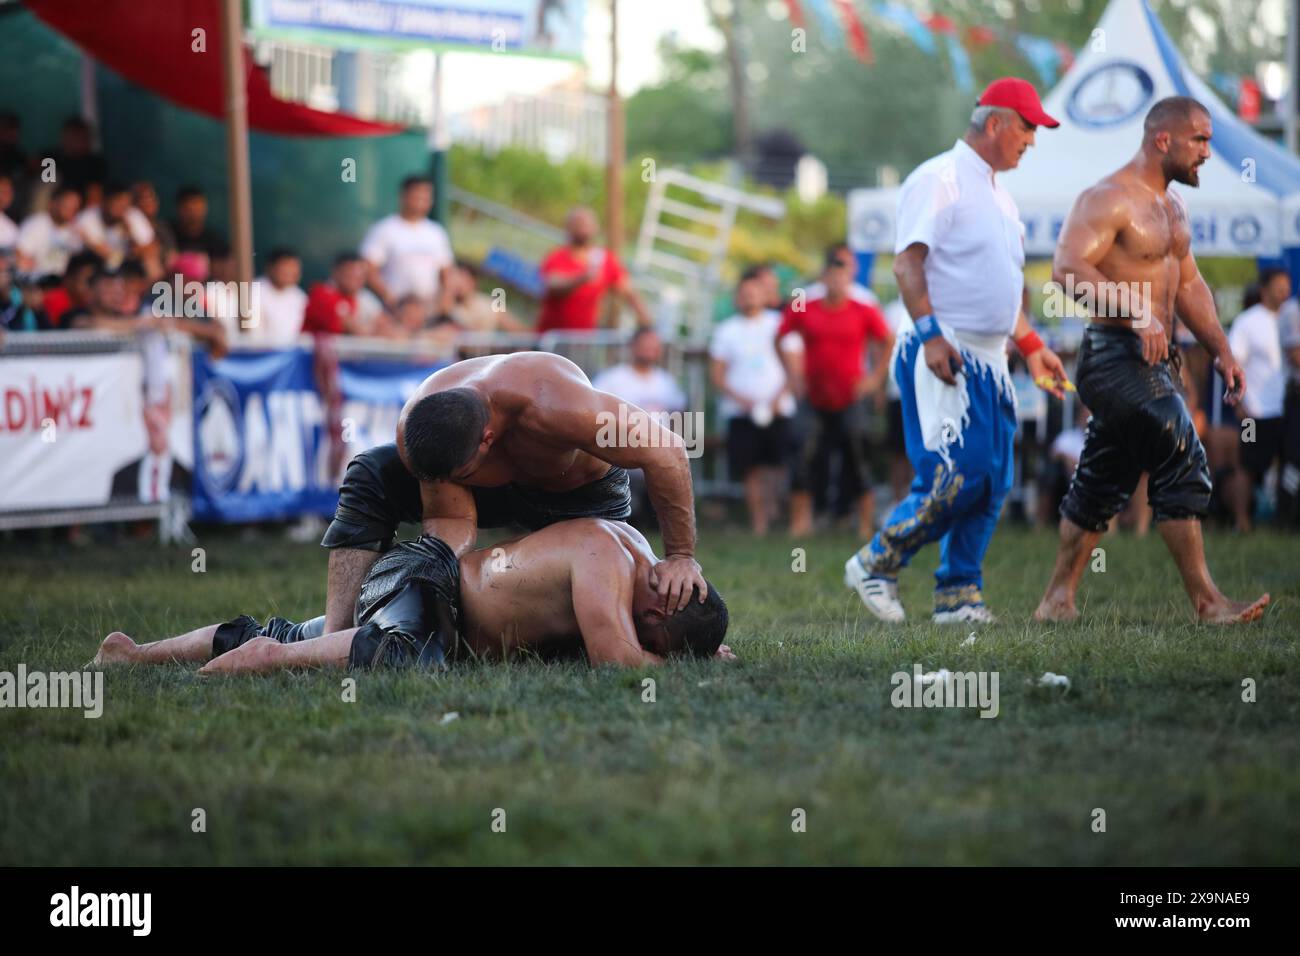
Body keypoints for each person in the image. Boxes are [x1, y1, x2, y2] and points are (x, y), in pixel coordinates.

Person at [1033, 97, 1268, 625]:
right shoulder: (1108, 197)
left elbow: (1189, 285)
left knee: (1101, 479)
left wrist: (1223, 349)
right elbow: (1067, 268)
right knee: (1180, 448)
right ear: (1164, 140)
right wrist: (1134, 309)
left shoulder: (1173, 207)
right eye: (1200, 140)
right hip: (1113, 356)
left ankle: (1056, 601)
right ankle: (1208, 604)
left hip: (1158, 363)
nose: (1208, 152)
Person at [847, 77, 1068, 624]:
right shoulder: (939, 179)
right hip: (942, 347)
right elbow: (906, 264)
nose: (1032, 140)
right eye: (1027, 127)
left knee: (994, 479)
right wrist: (932, 336)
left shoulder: (998, 193)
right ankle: (877, 562)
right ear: (994, 123)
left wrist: (1033, 344)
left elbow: (999, 284)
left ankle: (958, 595)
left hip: (990, 357)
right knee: (955, 472)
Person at [319, 351, 706, 635]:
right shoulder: (420, 430)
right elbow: (450, 520)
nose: (454, 479)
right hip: (497, 489)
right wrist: (426, 572)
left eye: (464, 472)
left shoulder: (559, 406)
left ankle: (687, 639)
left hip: (580, 493)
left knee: (602, 615)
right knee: (371, 472)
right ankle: (336, 634)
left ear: (488, 439)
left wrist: (681, 556)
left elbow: (666, 451)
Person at [95, 519, 730, 673]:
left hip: (433, 601)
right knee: (407, 658)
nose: (641, 633)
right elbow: (616, 657)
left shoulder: (642, 556)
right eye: (655, 635)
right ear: (664, 604)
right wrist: (679, 661)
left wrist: (705, 648)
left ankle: (134, 653)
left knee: (307, 632)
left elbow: (641, 637)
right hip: (428, 582)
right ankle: (265, 657)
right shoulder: (605, 556)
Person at [778, 248, 894, 539]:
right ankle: (800, 523)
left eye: (842, 276)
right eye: (831, 275)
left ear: (849, 278)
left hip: (850, 396)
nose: (836, 281)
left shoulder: (863, 307)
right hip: (812, 396)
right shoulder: (807, 305)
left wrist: (875, 379)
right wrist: (792, 376)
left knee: (857, 456)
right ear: (824, 277)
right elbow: (779, 336)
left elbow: (887, 340)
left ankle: (864, 525)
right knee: (801, 452)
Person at [710, 272, 795, 535]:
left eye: (754, 292)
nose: (749, 298)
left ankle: (779, 514)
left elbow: (794, 366)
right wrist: (742, 400)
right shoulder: (726, 331)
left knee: (780, 464)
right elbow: (717, 374)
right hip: (741, 411)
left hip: (778, 407)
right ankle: (759, 523)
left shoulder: (780, 324)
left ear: (764, 296)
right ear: (736, 299)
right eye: (743, 293)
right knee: (750, 468)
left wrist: (778, 397)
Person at [1228, 267, 1290, 517]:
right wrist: (1239, 406)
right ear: (1264, 289)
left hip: (1286, 410)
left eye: (1287, 287)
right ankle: (1241, 521)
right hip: (1253, 412)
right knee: (1247, 464)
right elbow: (1232, 365)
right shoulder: (1248, 322)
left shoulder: (1291, 318)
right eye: (1279, 287)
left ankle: (1284, 519)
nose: (1284, 292)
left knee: (1287, 465)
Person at [537, 206, 651, 332]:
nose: (584, 228)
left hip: (583, 341)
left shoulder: (605, 259)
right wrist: (582, 278)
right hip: (551, 337)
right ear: (568, 227)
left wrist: (648, 325)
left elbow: (630, 293)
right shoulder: (557, 257)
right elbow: (553, 284)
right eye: (579, 224)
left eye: (587, 224)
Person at [360, 174, 454, 316]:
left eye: (426, 197)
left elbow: (446, 271)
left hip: (428, 311)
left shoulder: (436, 232)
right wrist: (389, 298)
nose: (421, 201)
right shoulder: (384, 229)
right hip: (393, 311)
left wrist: (445, 299)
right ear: (404, 196)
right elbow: (369, 269)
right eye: (417, 196)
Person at [15, 183, 82, 279]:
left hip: (60, 284)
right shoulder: (36, 223)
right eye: (66, 205)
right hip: (34, 281)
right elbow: (20, 256)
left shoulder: (75, 231)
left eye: (74, 208)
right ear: (53, 203)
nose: (69, 210)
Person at [247, 247, 307, 347]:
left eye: (293, 266)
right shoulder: (254, 291)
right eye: (285, 265)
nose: (289, 271)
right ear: (270, 268)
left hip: (293, 356)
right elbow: (253, 336)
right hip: (263, 355)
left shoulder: (299, 296)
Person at [303, 252, 369, 335]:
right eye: (351, 273)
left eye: (361, 275)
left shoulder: (354, 299)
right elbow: (351, 327)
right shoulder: (321, 294)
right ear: (336, 271)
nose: (356, 278)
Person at [1278, 287, 1300, 526]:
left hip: (1272, 408)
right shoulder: (1292, 311)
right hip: (1251, 415)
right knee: (1294, 458)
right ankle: (1287, 514)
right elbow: (1295, 354)